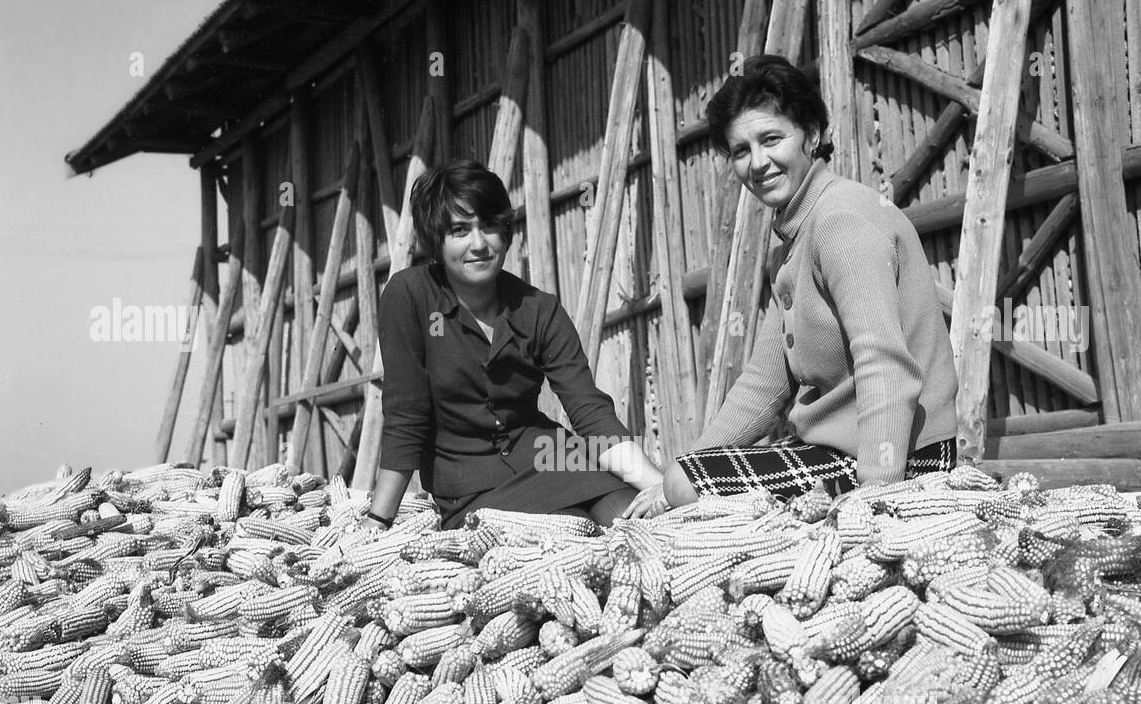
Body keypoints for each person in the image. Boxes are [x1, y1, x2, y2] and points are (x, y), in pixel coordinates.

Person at [664, 57, 958, 507]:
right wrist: (695, 462)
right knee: (683, 479)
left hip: (898, 456)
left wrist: (875, 497)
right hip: (832, 451)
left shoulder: (840, 219)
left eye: (771, 139)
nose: (758, 163)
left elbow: (884, 362)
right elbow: (763, 382)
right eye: (741, 151)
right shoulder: (794, 240)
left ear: (812, 136)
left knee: (687, 485)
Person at [369, 159, 668, 531]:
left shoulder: (539, 309)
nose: (479, 244)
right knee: (573, 532)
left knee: (633, 517)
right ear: (437, 240)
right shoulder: (409, 295)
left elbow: (590, 410)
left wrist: (660, 488)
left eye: (490, 226)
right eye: (460, 230)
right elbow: (406, 414)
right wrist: (379, 518)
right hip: (471, 487)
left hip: (554, 458)